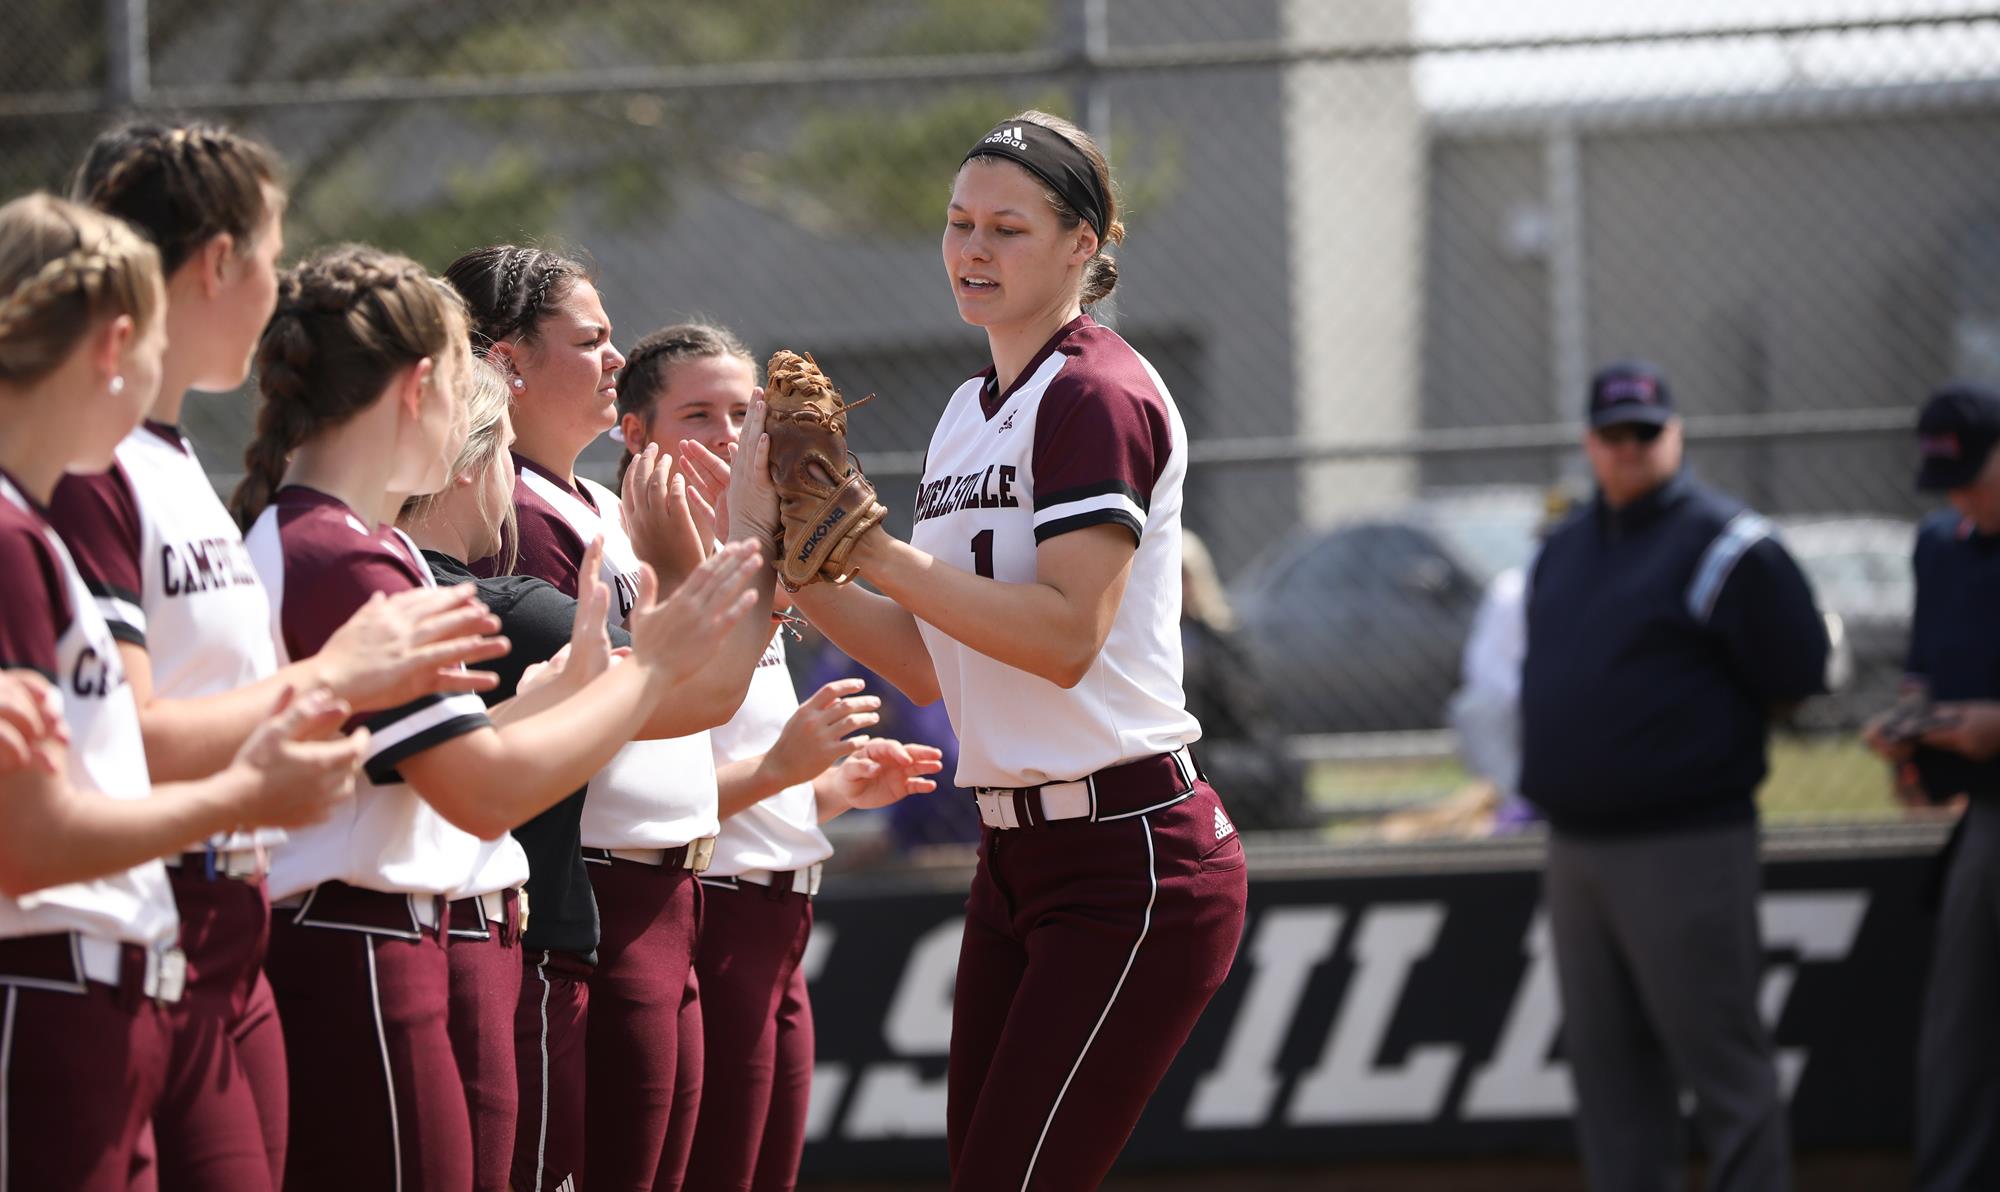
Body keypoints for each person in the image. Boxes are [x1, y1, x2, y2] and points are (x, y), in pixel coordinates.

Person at [710, 110, 1250, 1189]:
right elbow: (928, 665)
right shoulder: (968, 409)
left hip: (1129, 851)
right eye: (959, 223)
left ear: (1080, 246)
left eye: (1007, 227)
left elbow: (1062, 640)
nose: (972, 248)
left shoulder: (1096, 392)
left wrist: (871, 550)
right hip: (1015, 853)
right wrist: (802, 561)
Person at [231, 243, 762, 1191]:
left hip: (391, 934)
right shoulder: (338, 552)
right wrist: (651, 673)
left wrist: (546, 698)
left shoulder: (353, 543)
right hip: (360, 939)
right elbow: (477, 796)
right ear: (417, 389)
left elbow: (450, 766)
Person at [50, 118, 513, 1190]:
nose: (279, 285)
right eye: (269, 250)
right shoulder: (96, 471)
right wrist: (335, 679)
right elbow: (117, 739)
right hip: (138, 936)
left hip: (229, 931)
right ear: (219, 263)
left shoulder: (177, 470)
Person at [0, 191, 366, 1189]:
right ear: (119, 341)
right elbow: (30, 840)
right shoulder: (19, 532)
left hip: (112, 980)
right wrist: (248, 792)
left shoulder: (39, 530)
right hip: (48, 983)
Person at [445, 248, 776, 1191]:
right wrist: (755, 549)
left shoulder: (597, 498)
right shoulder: (513, 514)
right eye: (589, 341)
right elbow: (659, 701)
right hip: (595, 884)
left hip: (662, 895)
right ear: (505, 362)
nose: (616, 357)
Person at [612, 323, 944, 1190]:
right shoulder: (635, 563)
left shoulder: (749, 556)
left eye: (742, 412)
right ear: (635, 434)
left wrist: (828, 789)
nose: (730, 437)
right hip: (707, 914)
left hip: (779, 915)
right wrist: (783, 772)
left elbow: (747, 777)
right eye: (699, 414)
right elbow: (633, 796)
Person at [1520, 360, 1828, 1191]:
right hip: (1577, 848)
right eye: (1613, 435)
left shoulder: (1729, 543)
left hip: (1686, 844)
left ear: (1676, 433)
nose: (1629, 449)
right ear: (1589, 441)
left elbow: (1797, 674)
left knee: (1722, 1063)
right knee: (1610, 1077)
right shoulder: (1568, 547)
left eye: (1645, 433)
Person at [1864, 383, 2000, 1190]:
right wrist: (1908, 741)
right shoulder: (1942, 547)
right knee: (1958, 1038)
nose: (1959, 492)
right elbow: (1926, 678)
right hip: (1980, 817)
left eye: (1974, 471)